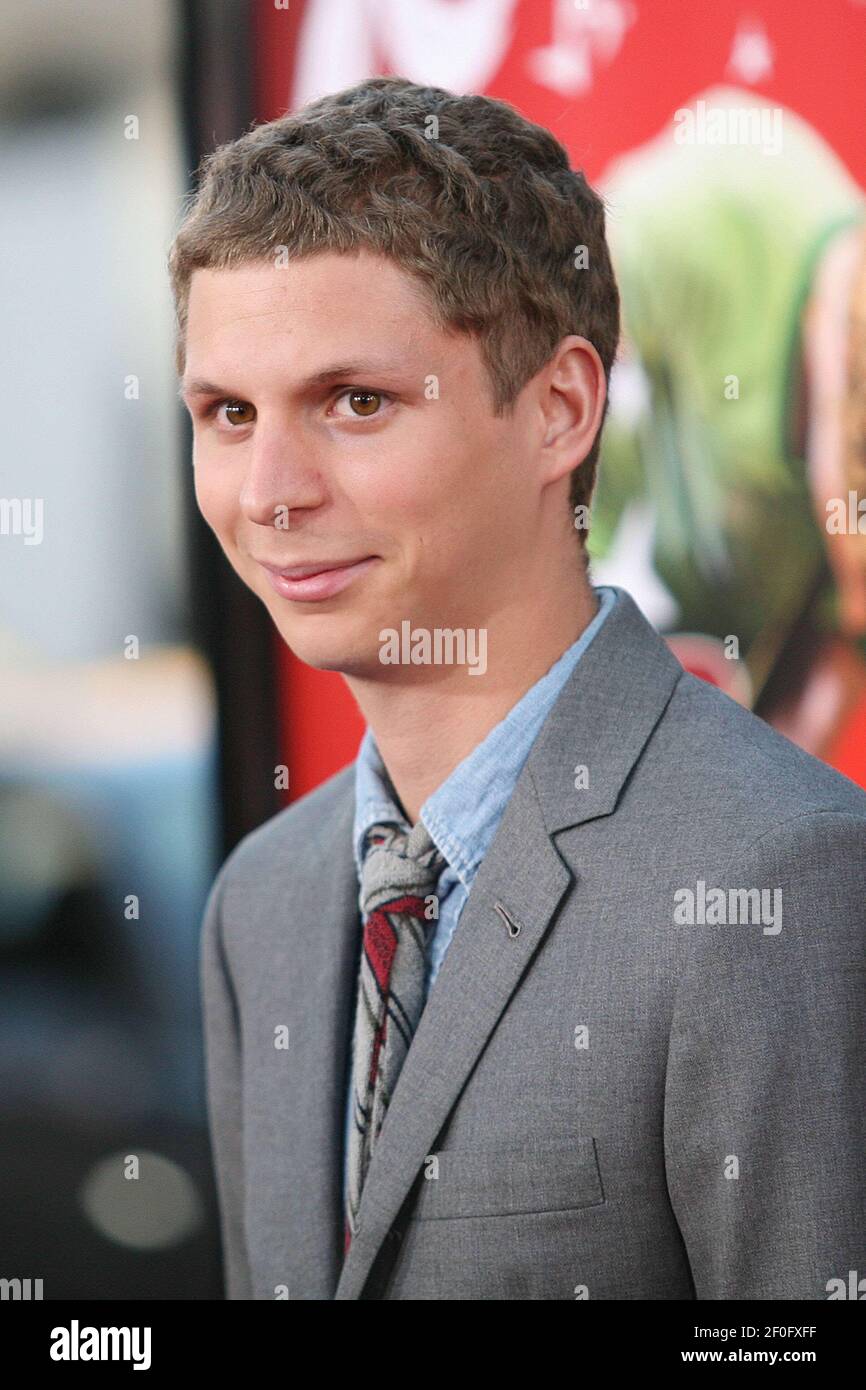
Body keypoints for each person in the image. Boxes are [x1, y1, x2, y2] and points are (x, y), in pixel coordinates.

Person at [170, 77, 866, 1300]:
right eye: (227, 412)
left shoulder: (784, 876)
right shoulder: (259, 905)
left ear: (558, 409)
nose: (269, 491)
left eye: (355, 402)